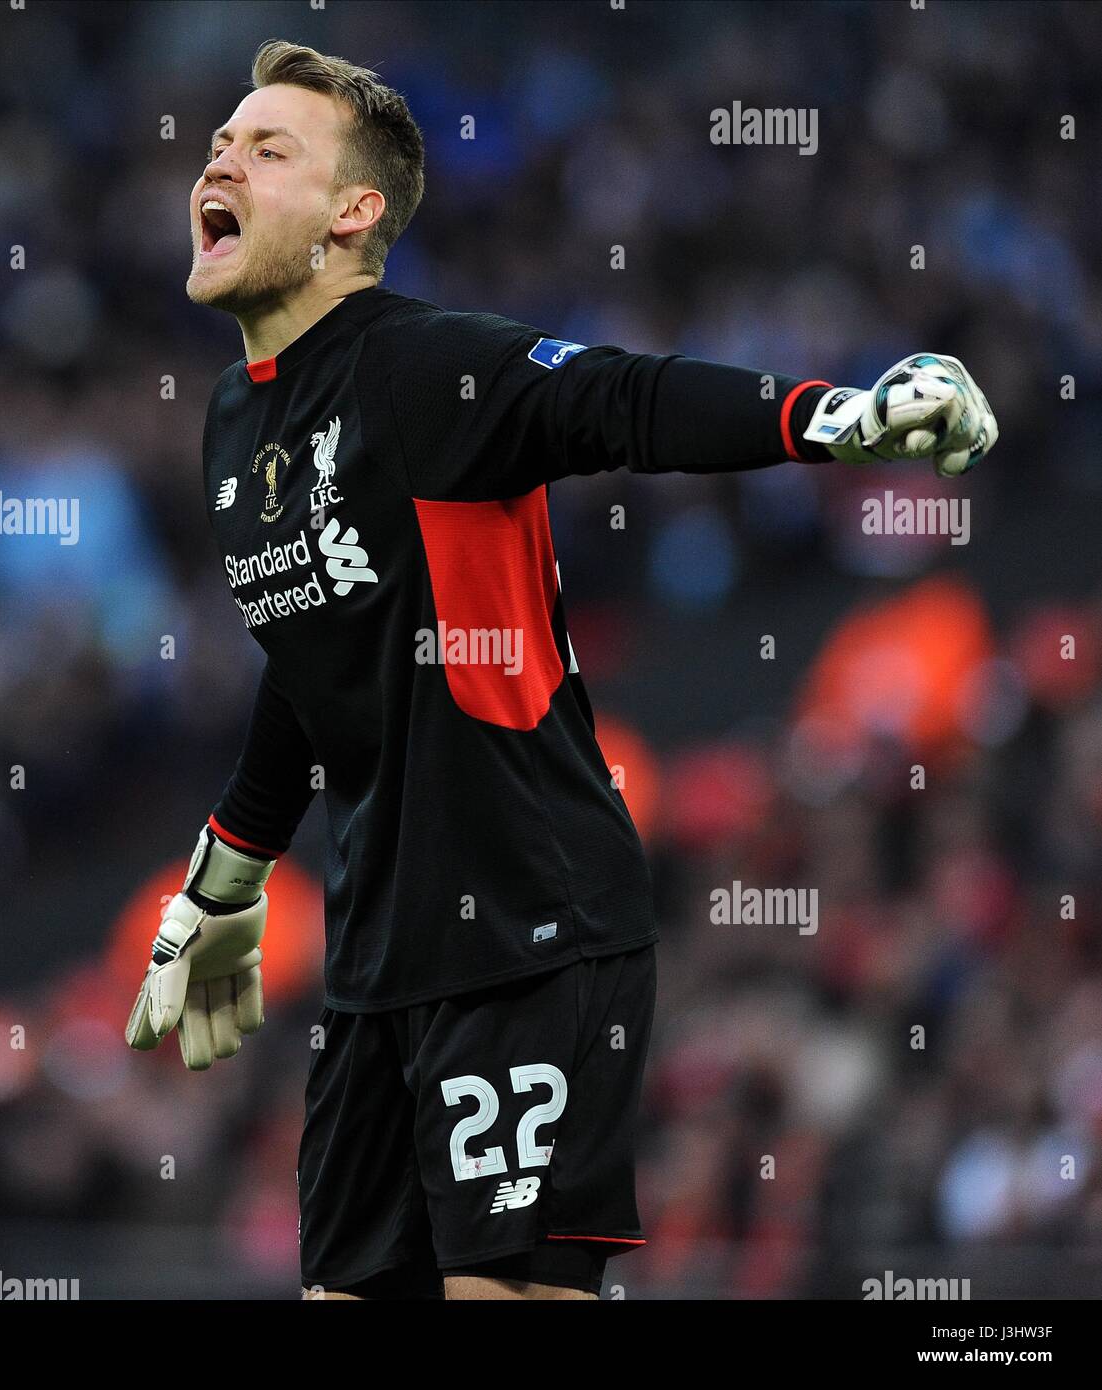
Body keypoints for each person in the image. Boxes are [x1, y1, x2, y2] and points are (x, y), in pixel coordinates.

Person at [125, 40, 997, 1301]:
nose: (222, 158)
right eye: (221, 141)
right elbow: (312, 662)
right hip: (380, 959)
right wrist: (225, 879)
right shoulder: (233, 418)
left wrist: (838, 418)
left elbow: (615, 397)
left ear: (351, 213)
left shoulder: (418, 366)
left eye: (268, 149)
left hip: (527, 923)